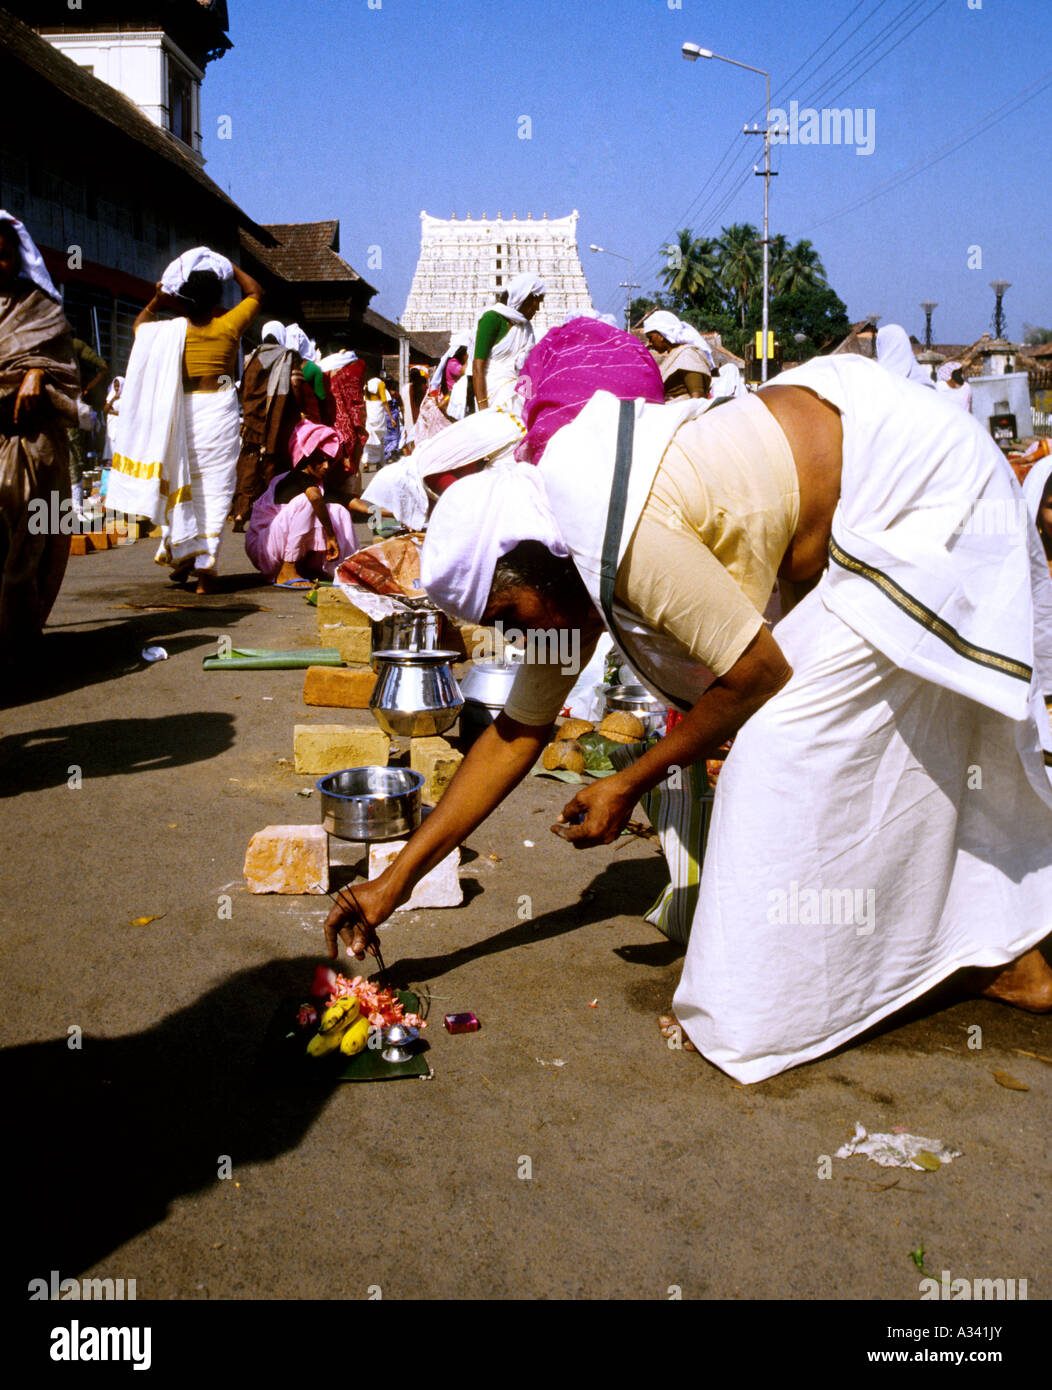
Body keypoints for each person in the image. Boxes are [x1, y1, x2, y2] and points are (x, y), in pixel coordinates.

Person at [323, 327, 1052, 1084]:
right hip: (867, 501)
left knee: (782, 754)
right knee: (864, 748)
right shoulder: (564, 569)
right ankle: (997, 948)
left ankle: (807, 1002)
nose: (515, 641)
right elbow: (515, 733)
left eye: (510, 620)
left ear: (536, 568)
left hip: (916, 493)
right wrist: (392, 885)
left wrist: (630, 779)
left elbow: (757, 675)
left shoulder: (620, 541)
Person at [109, 249, 263, 594]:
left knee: (183, 485)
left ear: (184, 299)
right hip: (218, 416)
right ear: (218, 300)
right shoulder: (229, 325)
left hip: (181, 415)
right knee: (215, 491)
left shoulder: (169, 331)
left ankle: (182, 554)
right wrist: (229, 265)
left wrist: (158, 299)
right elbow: (256, 293)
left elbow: (139, 328)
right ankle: (205, 571)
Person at [0, 211, 81, 654]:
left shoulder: (41, 308)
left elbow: (66, 369)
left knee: (32, 544)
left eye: (4, 256)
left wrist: (35, 369)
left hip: (33, 443)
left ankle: (20, 636)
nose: (0, 265)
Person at [244, 420, 362, 587]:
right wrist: (331, 536)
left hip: (277, 545)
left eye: (329, 460)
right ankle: (287, 570)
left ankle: (343, 569)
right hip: (263, 547)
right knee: (309, 501)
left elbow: (352, 502)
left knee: (338, 510)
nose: (326, 466)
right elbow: (314, 498)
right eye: (321, 460)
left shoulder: (318, 484)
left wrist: (388, 512)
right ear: (307, 458)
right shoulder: (295, 477)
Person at [231, 321, 313, 529]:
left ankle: (241, 512)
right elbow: (295, 385)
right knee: (272, 462)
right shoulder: (288, 356)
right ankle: (272, 509)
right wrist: (300, 410)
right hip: (277, 419)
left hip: (252, 418)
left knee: (249, 462)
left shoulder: (250, 358)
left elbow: (244, 388)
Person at [471, 274, 545, 412]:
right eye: (537, 302)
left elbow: (527, 369)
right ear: (525, 299)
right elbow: (477, 367)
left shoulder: (526, 328)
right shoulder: (491, 318)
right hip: (491, 392)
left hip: (519, 393)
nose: (538, 309)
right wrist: (483, 410)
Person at [67, 336, 108, 516]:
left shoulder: (39, 342)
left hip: (59, 406)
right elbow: (104, 367)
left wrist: (87, 389)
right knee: (73, 457)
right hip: (70, 404)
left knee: (69, 457)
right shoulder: (73, 343)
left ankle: (72, 508)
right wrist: (87, 389)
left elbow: (103, 367)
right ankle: (74, 508)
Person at [642, 309, 713, 400]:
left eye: (651, 338)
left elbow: (697, 399)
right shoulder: (674, 355)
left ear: (661, 335)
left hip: (684, 411)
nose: (650, 343)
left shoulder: (687, 355)